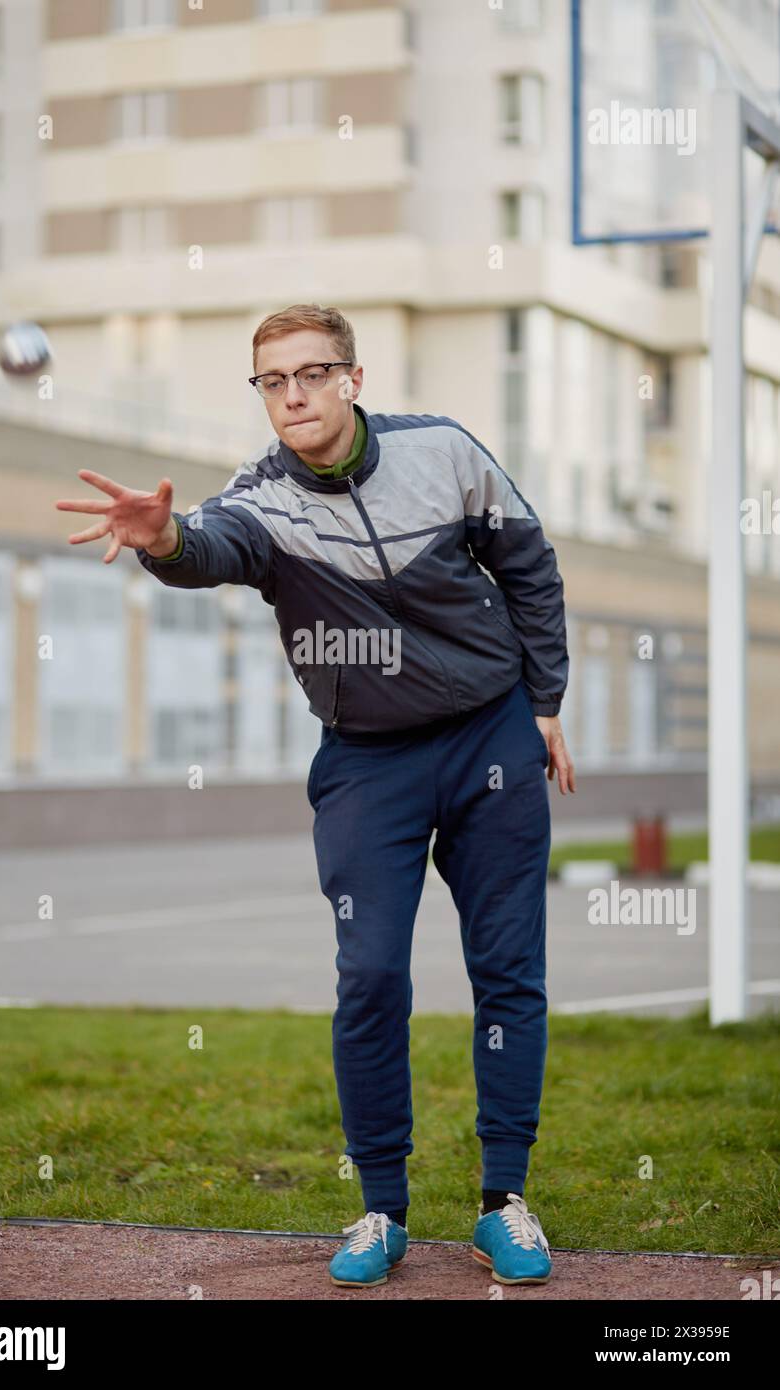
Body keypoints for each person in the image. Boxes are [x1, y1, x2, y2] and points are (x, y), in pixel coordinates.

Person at [55, 303, 575, 1291]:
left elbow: (529, 567)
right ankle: (380, 1207)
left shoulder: (447, 453)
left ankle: (503, 1199)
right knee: (370, 975)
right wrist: (165, 539)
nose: (291, 393)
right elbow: (210, 549)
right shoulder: (258, 502)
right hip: (366, 761)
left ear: (351, 378)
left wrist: (541, 702)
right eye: (270, 380)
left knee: (507, 970)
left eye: (310, 373)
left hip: (488, 739)